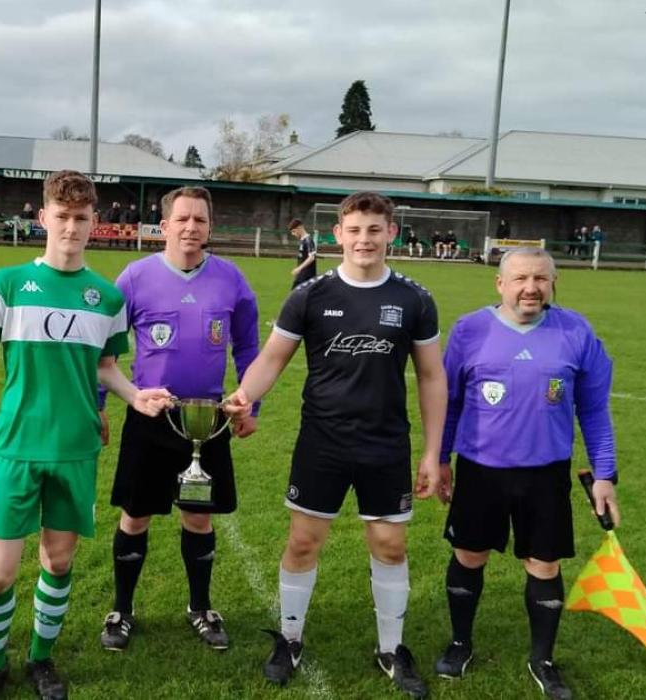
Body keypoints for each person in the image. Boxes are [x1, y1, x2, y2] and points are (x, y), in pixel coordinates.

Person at [0, 170, 172, 700]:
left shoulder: (104, 297)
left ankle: (41, 660)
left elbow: (105, 368)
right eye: (62, 216)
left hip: (76, 450)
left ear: (93, 221)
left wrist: (134, 395)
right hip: (14, 449)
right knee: (0, 574)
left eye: (82, 218)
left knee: (57, 561)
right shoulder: (5, 283)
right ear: (43, 218)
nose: (72, 227)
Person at [224, 191, 445, 698]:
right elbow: (273, 358)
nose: (363, 239)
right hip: (322, 441)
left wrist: (432, 452)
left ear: (391, 233)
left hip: (386, 443)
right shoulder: (311, 294)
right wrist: (244, 395)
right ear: (338, 235)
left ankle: (391, 648)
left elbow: (432, 377)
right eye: (354, 230)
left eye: (374, 230)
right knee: (304, 541)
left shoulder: (414, 299)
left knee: (390, 544)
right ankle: (290, 638)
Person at [433, 247, 619, 700]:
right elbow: (449, 401)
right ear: (500, 283)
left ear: (553, 283)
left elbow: (593, 410)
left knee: (544, 564)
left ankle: (543, 659)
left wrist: (605, 473)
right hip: (481, 470)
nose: (530, 288)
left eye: (540, 278)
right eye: (519, 278)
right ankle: (460, 643)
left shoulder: (575, 331)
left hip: (545, 473)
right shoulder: (470, 329)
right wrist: (439, 459)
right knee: (468, 555)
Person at [98, 186, 260, 654]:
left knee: (198, 518)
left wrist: (252, 405)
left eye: (201, 220)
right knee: (136, 516)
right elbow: (105, 351)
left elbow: (249, 348)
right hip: (150, 417)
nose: (192, 228)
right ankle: (122, 610)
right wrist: (100, 407)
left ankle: (200, 607)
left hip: (208, 422)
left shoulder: (231, 279)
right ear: (164, 226)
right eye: (183, 219)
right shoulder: (134, 277)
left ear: (210, 227)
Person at [288, 218, 317, 287]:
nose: (293, 234)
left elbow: (311, 257)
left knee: (296, 295)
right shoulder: (303, 240)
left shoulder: (308, 240)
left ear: (299, 228)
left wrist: (299, 268)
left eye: (294, 231)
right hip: (302, 275)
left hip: (307, 276)